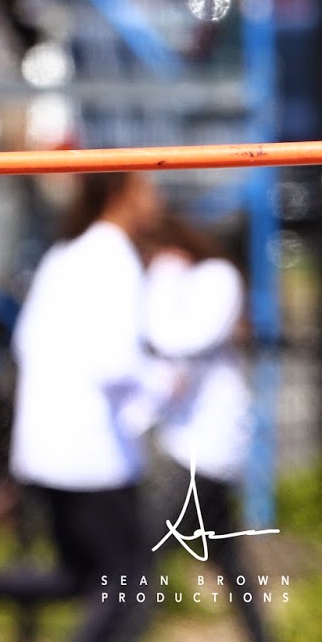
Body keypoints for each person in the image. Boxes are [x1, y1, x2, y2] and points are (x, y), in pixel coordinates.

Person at [0, 172, 164, 642]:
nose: (157, 200)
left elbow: (27, 343)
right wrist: (165, 389)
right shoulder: (115, 258)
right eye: (148, 188)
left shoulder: (63, 255)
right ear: (123, 195)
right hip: (92, 452)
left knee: (77, 576)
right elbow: (117, 361)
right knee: (130, 580)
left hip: (44, 448)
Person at [142, 215, 268, 642]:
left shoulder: (215, 278)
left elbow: (176, 340)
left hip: (209, 445)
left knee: (143, 551)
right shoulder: (178, 285)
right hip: (189, 441)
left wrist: (163, 281)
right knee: (227, 558)